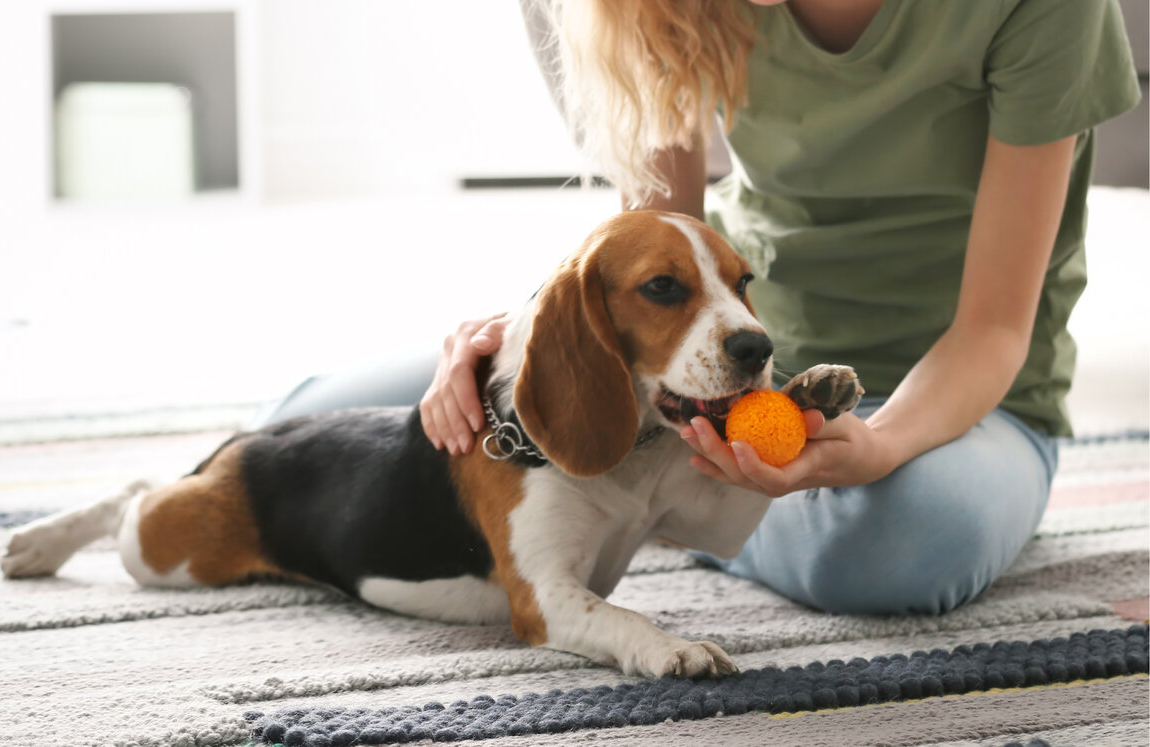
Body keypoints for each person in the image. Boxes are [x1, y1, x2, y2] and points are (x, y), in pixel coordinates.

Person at [260, 0, 1141, 615]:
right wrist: (534, 331)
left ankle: (671, 503)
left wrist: (878, 445)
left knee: (896, 549)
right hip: (712, 359)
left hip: (958, 403)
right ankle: (689, 495)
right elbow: (650, 236)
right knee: (300, 431)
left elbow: (992, 331)